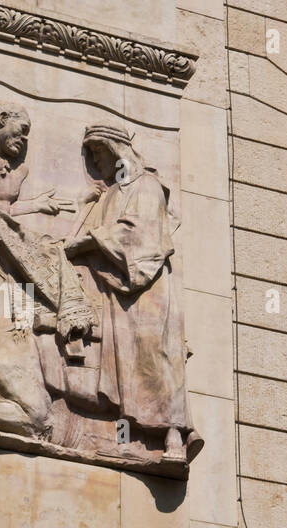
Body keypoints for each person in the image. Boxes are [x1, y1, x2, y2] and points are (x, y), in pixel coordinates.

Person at [64, 124, 200, 462]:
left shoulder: (148, 186)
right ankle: (127, 439)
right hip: (119, 290)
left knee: (156, 357)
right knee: (123, 367)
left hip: (148, 289)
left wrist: (92, 240)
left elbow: (141, 234)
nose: (96, 163)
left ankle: (175, 440)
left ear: (115, 150)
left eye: (98, 155)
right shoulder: (114, 192)